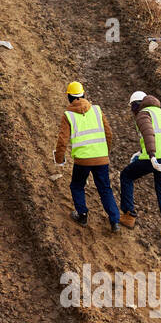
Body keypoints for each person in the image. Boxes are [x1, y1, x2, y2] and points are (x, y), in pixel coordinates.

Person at [54, 81, 120, 231]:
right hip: (101, 158)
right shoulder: (96, 110)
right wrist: (105, 151)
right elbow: (108, 132)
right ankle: (115, 221)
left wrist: (59, 159)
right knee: (105, 189)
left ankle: (82, 215)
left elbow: (62, 140)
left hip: (82, 160)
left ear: (69, 97)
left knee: (77, 186)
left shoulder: (68, 115)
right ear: (84, 94)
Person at [117, 90, 161, 246]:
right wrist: (140, 152)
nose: (132, 111)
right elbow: (160, 137)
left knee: (126, 175)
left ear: (136, 105)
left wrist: (151, 155)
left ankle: (128, 215)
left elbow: (149, 134)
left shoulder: (143, 114)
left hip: (154, 156)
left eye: (132, 107)